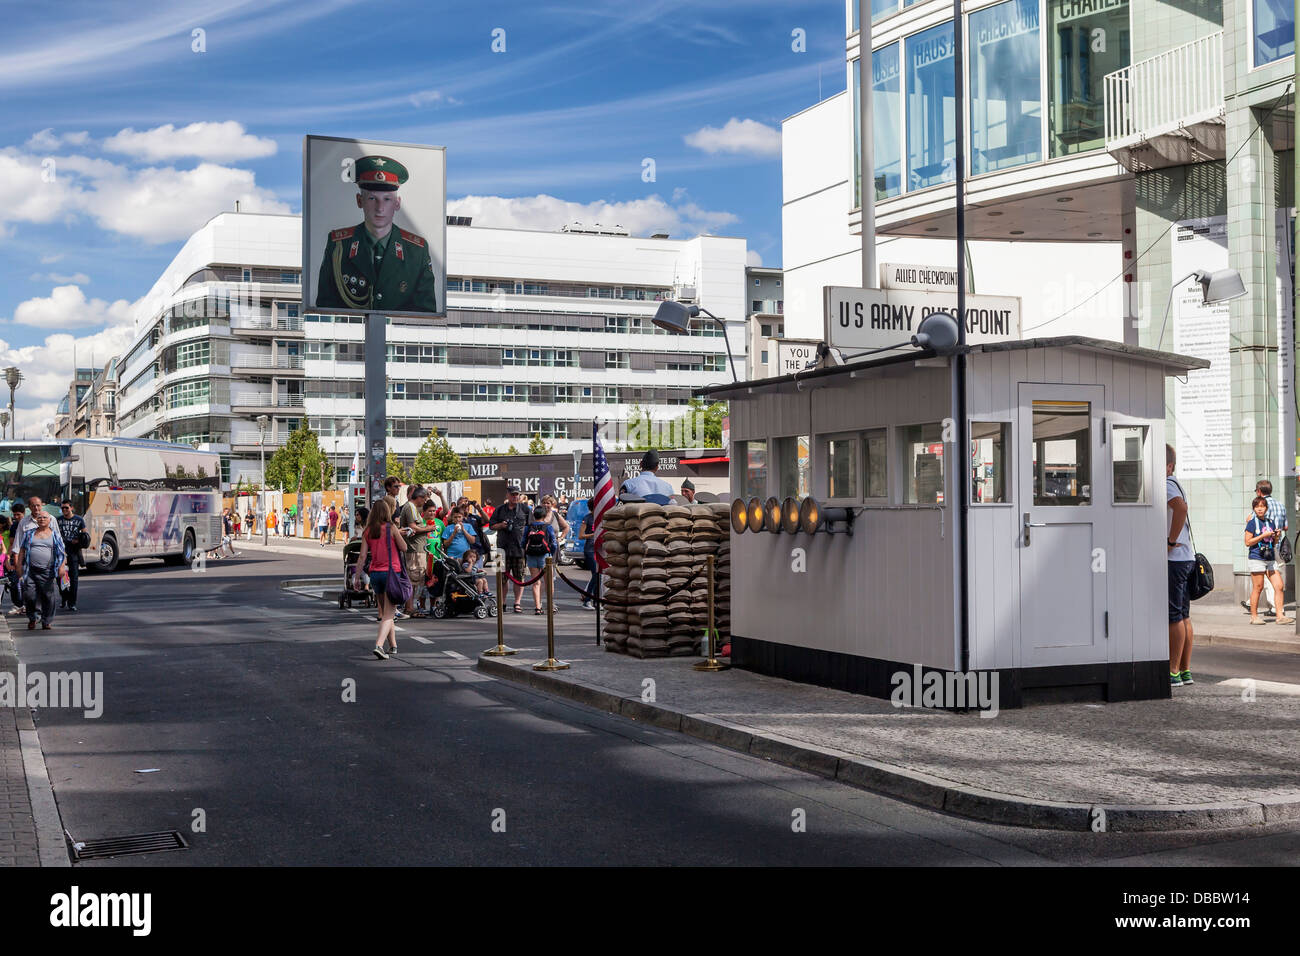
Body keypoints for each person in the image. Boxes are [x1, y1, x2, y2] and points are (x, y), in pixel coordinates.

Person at [315, 154, 438, 314]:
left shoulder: (416, 250)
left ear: (397, 203)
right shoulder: (338, 245)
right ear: (359, 201)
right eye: (372, 198)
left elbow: (425, 312)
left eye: (387, 199)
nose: (380, 208)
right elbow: (326, 307)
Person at [354, 499, 408, 659]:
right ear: (386, 512)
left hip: (375, 574)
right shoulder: (391, 528)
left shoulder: (368, 531)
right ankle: (379, 645)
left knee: (386, 611)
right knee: (389, 614)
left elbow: (363, 556)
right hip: (391, 573)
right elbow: (404, 547)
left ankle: (393, 645)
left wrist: (357, 577)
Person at [1166, 445, 1196, 688]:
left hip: (1174, 560)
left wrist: (1169, 541)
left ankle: (1173, 671)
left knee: (1174, 615)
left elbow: (1181, 509)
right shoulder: (1177, 483)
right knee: (1184, 615)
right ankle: (1185, 670)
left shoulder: (1166, 484)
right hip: (1186, 558)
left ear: (1168, 465)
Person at [15, 508, 67, 631]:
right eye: (39, 517)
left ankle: (47, 621)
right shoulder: (29, 533)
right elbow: (22, 550)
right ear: (36, 520)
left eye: (44, 517)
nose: (42, 519)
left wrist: (62, 567)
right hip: (30, 570)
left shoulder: (55, 535)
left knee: (48, 596)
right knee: (29, 595)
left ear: (50, 520)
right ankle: (33, 618)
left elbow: (62, 553)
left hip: (48, 571)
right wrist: (18, 565)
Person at [1241, 479, 1288, 617]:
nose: (1260, 508)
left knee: (1272, 583)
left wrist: (1274, 535)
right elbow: (1285, 526)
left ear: (1259, 491)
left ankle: (1277, 610)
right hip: (1268, 551)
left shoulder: (1261, 511)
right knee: (1261, 584)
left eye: (1262, 506)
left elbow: (1248, 519)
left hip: (1270, 548)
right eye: (1258, 507)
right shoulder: (1280, 505)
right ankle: (1258, 612)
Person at [489, 485, 532, 613]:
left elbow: (531, 527)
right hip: (501, 548)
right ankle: (502, 603)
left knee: (519, 578)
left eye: (517, 494)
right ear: (507, 495)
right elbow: (491, 526)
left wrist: (528, 543)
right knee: (500, 578)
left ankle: (517, 603)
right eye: (512, 494)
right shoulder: (499, 509)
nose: (515, 497)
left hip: (519, 548)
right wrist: (501, 525)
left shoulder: (525, 509)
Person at [523, 505, 559, 615]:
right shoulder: (548, 527)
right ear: (544, 515)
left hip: (531, 556)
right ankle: (550, 605)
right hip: (545, 556)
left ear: (534, 515)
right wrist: (550, 554)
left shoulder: (528, 527)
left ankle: (538, 607)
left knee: (536, 583)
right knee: (548, 582)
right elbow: (554, 543)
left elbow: (523, 542)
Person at [56, 501, 88, 612]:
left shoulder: (79, 520)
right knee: (60, 578)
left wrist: (79, 540)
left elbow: (85, 535)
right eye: (62, 508)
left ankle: (72, 602)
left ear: (71, 508)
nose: (64, 510)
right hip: (60, 552)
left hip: (73, 552)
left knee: (74, 579)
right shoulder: (58, 520)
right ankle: (64, 597)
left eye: (66, 508)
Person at [4, 503, 24, 615]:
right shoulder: (14, 526)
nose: (16, 517)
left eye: (18, 515)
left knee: (28, 584)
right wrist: (8, 557)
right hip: (16, 557)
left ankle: (27, 605)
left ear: (24, 513)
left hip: (28, 557)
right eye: (14, 515)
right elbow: (11, 543)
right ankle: (18, 604)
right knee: (13, 583)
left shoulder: (30, 523)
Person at [579, 508, 599, 610]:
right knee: (595, 575)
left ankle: (596, 601)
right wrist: (593, 535)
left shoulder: (601, 517)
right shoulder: (587, 518)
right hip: (590, 550)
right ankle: (587, 600)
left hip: (600, 549)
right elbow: (581, 536)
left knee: (597, 575)